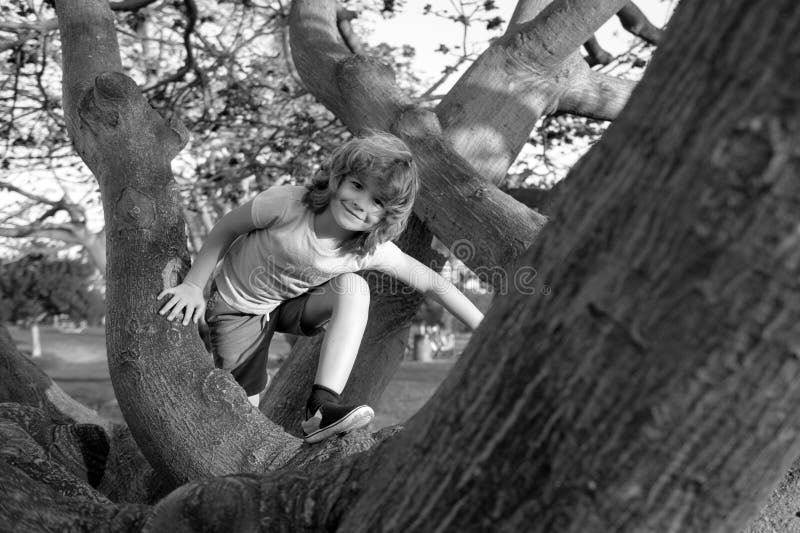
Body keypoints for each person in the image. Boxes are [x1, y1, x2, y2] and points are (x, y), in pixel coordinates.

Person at [157, 132, 484, 444]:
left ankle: (321, 407)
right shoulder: (287, 204)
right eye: (357, 186)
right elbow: (227, 227)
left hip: (289, 304)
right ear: (337, 178)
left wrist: (486, 329)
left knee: (354, 287)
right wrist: (193, 285)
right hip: (237, 305)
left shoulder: (367, 247)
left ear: (388, 214)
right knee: (244, 410)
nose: (361, 203)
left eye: (377, 201)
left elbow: (431, 281)